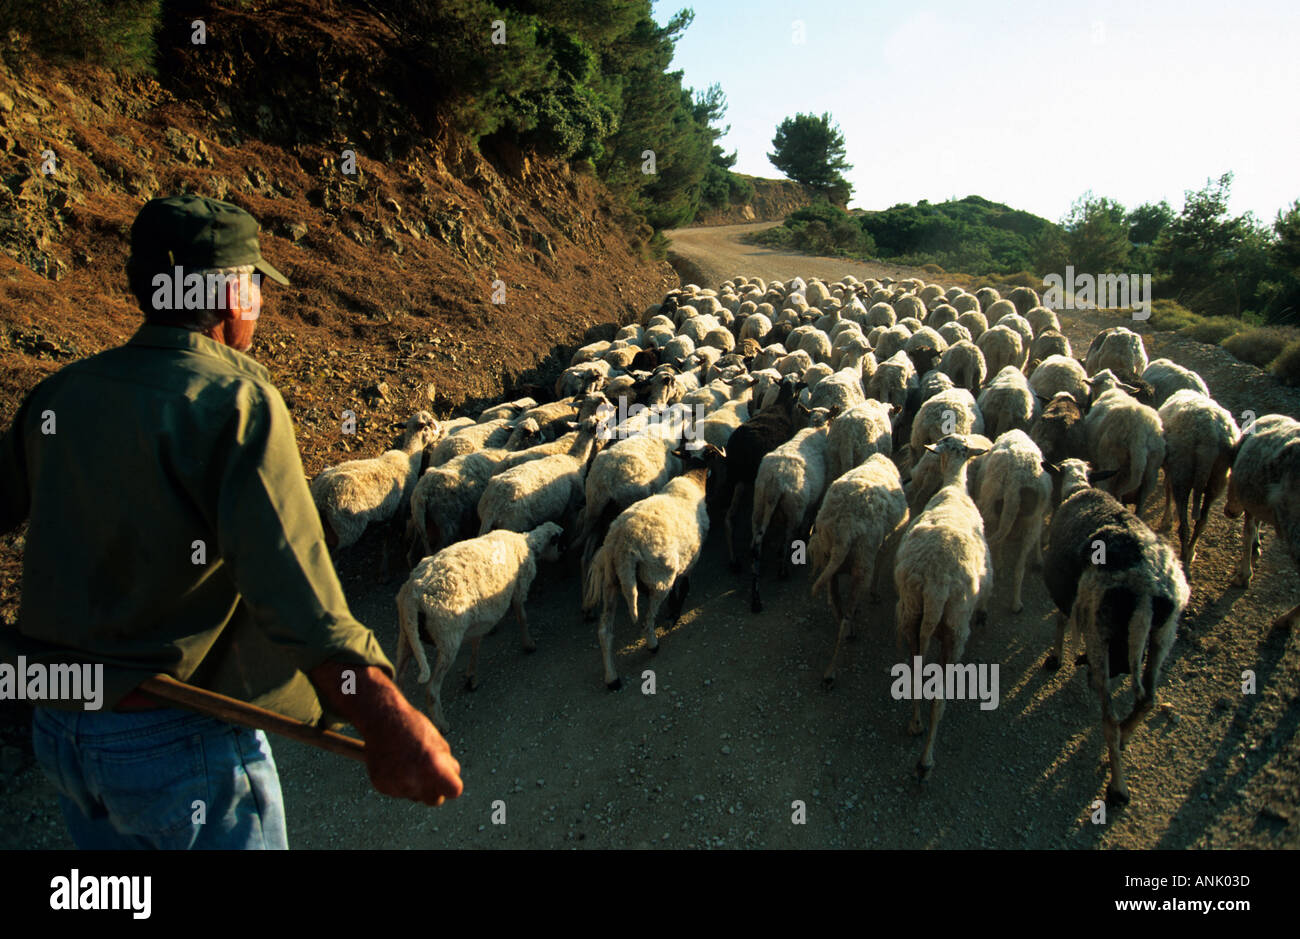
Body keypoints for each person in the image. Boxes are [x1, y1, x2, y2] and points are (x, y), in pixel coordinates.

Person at [0, 194, 462, 849]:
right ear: (227, 294)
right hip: (178, 738)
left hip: (64, 729)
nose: (261, 304)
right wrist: (386, 717)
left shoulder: (62, 393)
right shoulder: (233, 400)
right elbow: (299, 595)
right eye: (255, 284)